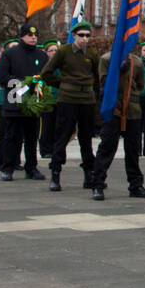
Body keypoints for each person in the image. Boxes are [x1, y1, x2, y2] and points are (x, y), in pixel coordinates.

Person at [41, 22, 100, 190]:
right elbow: (47, 73)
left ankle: (89, 174)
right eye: (81, 35)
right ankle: (55, 174)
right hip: (68, 99)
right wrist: (63, 84)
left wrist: (94, 94)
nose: (84, 39)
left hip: (86, 100)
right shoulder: (64, 51)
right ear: (74, 35)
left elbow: (96, 77)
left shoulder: (92, 53)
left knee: (86, 139)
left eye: (87, 36)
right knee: (62, 136)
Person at [91, 46, 145, 200]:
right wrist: (116, 71)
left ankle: (136, 185)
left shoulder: (136, 62)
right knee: (107, 148)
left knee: (133, 150)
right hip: (114, 110)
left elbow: (140, 86)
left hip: (132, 112)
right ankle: (97, 184)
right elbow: (103, 83)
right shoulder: (106, 59)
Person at [0, 27, 49, 181]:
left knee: (32, 138)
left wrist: (39, 88)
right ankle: (8, 167)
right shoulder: (9, 54)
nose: (33, 38)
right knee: (12, 137)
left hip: (33, 103)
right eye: (29, 35)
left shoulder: (42, 55)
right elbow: (1, 76)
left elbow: (46, 76)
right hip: (15, 101)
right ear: (22, 37)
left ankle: (31, 168)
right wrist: (21, 83)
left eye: (35, 35)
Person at [38, 41, 60, 158]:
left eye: (56, 50)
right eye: (51, 50)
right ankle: (45, 149)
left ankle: (55, 148)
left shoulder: (61, 64)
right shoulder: (43, 64)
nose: (53, 53)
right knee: (47, 126)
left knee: (58, 126)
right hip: (47, 99)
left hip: (59, 98)